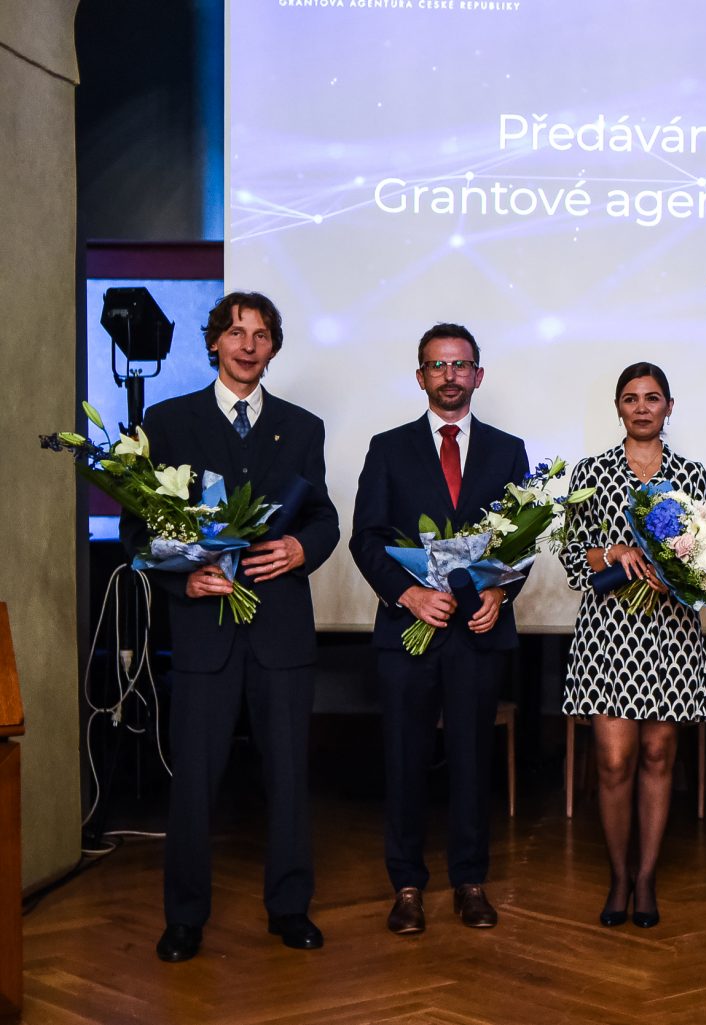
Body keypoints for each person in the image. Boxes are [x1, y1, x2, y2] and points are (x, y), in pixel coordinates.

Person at [121, 291, 340, 963]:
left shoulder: (303, 428)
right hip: (201, 631)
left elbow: (324, 517)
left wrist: (305, 548)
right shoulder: (167, 420)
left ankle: (289, 907)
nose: (248, 344)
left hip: (281, 632)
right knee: (193, 782)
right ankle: (184, 917)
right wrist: (179, 578)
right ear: (214, 342)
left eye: (262, 334)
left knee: (289, 779)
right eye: (236, 332)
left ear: (274, 348)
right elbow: (138, 527)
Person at [349, 323, 529, 936]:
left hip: (478, 633)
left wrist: (502, 594)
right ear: (421, 375)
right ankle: (406, 886)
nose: (449, 375)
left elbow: (522, 543)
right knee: (405, 760)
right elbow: (366, 539)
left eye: (460, 365)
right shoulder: (388, 447)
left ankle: (470, 882)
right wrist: (408, 594)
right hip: (409, 630)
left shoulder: (509, 450)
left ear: (479, 375)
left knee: (473, 761)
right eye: (437, 365)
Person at [560, 363, 706, 929]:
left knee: (657, 757)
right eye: (631, 398)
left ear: (669, 407)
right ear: (618, 408)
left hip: (670, 634)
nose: (643, 407)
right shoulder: (592, 472)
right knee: (613, 760)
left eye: (653, 398)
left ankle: (647, 878)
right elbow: (573, 559)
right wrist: (616, 553)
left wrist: (678, 564)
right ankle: (617, 875)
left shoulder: (691, 474)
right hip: (608, 634)